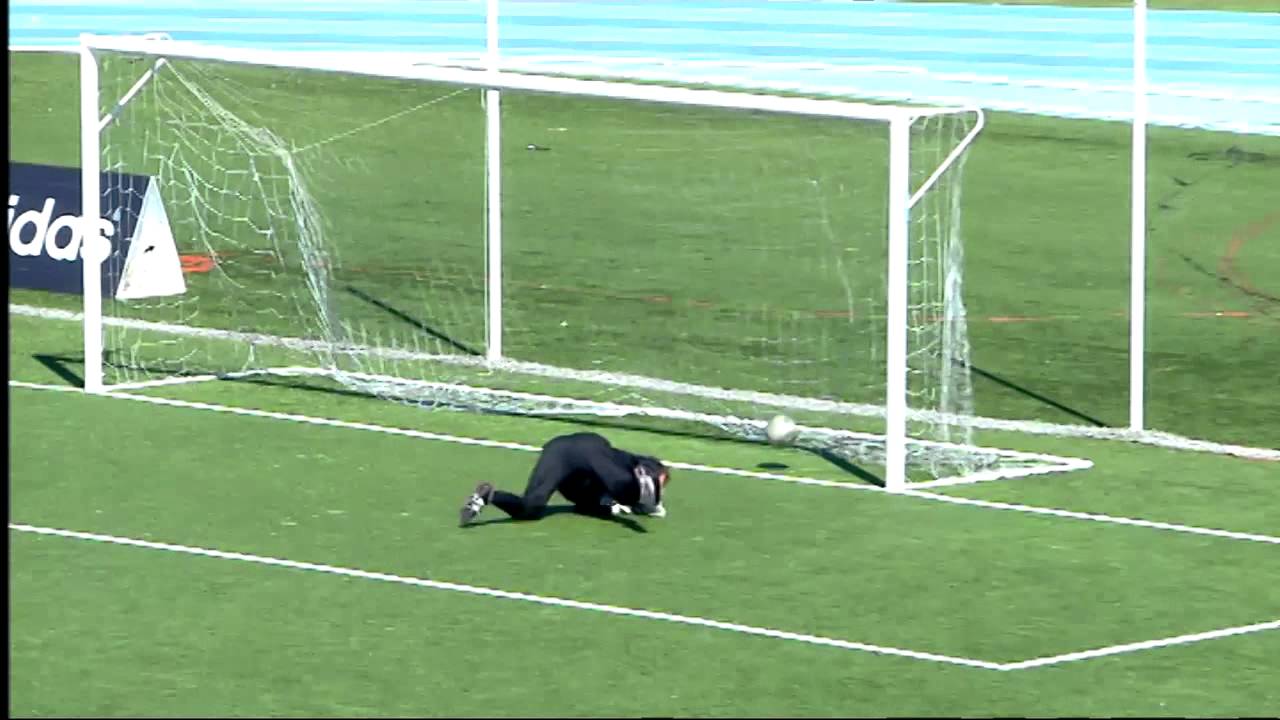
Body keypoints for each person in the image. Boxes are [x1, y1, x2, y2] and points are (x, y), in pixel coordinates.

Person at [459, 432, 671, 526]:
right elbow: (628, 483)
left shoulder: (620, 471)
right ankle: (635, 497)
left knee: (530, 509)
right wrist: (646, 502)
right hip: (585, 450)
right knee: (619, 489)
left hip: (560, 453)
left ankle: (488, 495)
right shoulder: (632, 465)